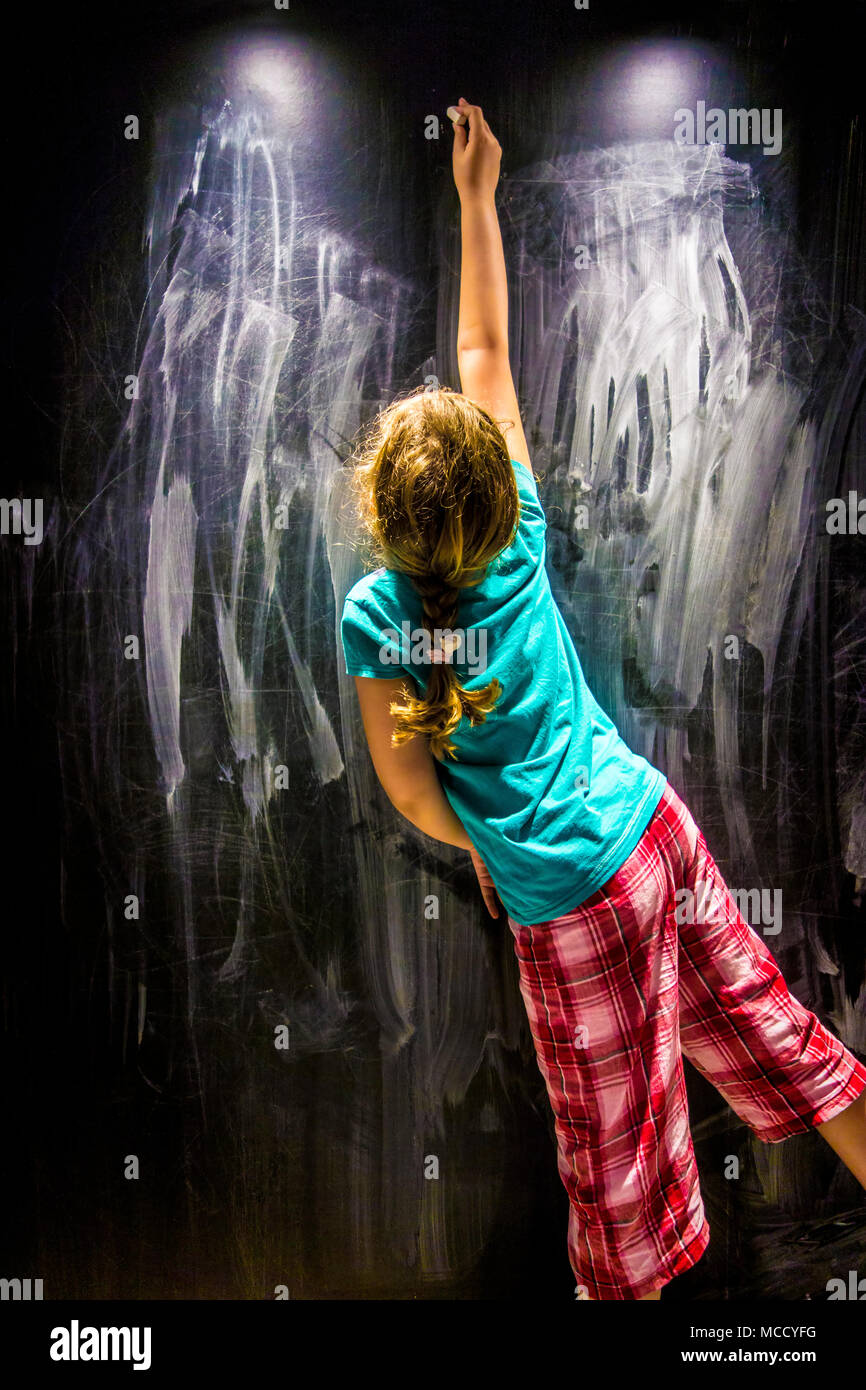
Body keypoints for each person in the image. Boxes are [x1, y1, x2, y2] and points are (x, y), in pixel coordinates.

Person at [338, 97, 866, 1300]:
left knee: (614, 1191)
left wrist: (490, 842)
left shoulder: (375, 614)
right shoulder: (514, 529)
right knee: (779, 1035)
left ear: (386, 512)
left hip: (574, 906)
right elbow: (481, 351)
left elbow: (412, 790)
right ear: (482, 487)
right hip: (650, 824)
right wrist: (474, 196)